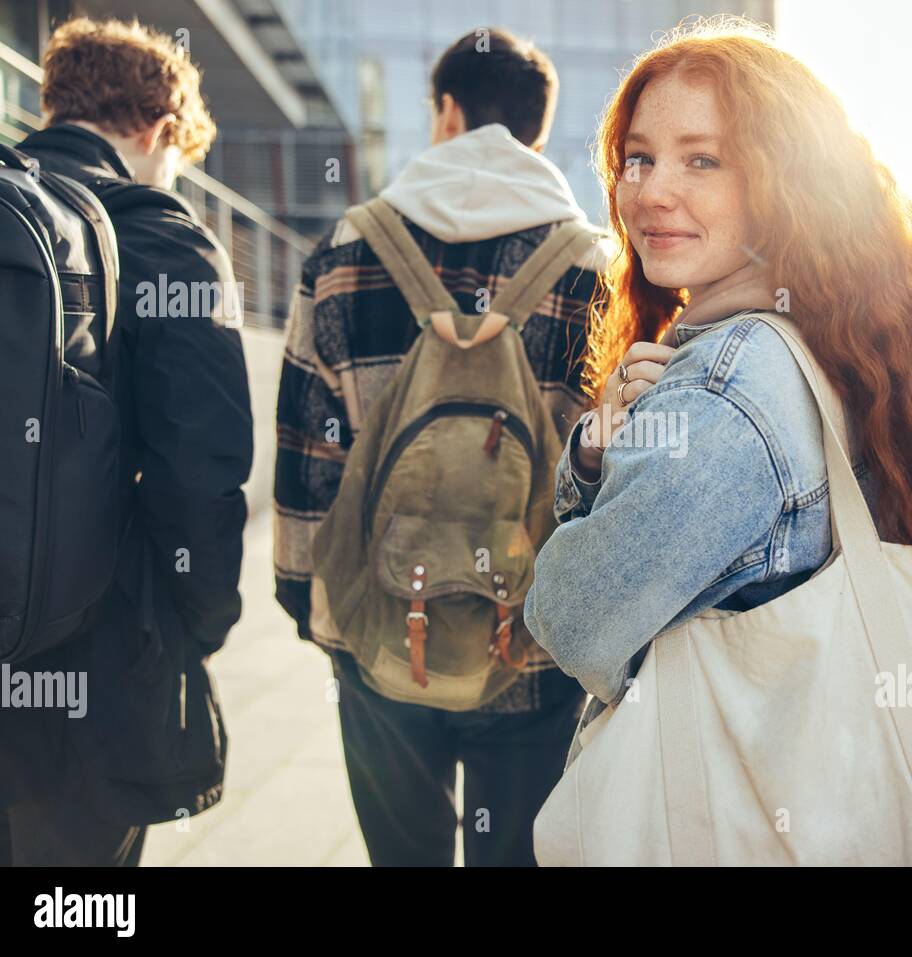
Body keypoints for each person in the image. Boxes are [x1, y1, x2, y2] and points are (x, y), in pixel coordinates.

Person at [522, 17, 912, 849]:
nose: (651, 190)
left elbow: (571, 617)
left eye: (702, 159)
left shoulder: (730, 382)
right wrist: (608, 445)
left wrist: (591, 477)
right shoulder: (837, 335)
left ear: (786, 182)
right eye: (639, 157)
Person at [273, 28, 601, 866]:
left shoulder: (348, 247)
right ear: (535, 128)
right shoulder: (592, 265)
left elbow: (307, 445)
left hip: (382, 628)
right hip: (528, 642)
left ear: (447, 112)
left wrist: (307, 595)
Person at [0, 17, 252, 866]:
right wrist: (199, 623)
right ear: (160, 129)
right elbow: (201, 471)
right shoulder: (166, 238)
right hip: (93, 672)